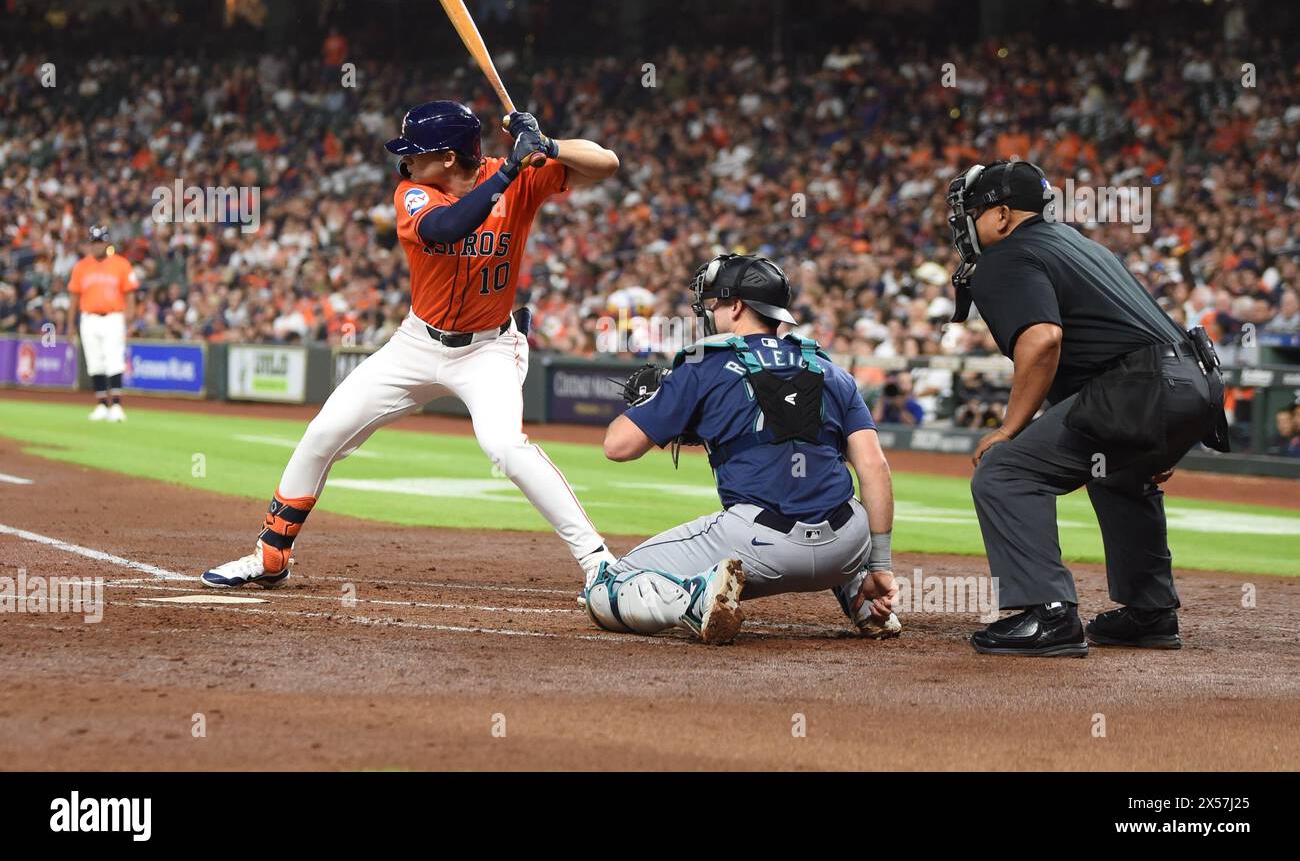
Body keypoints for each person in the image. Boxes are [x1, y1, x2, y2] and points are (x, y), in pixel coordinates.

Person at [202, 102, 620, 589]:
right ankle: (271, 556)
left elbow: (606, 163)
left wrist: (548, 145)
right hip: (416, 344)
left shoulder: (521, 174)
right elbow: (448, 227)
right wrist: (512, 167)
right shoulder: (414, 192)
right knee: (323, 433)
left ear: (448, 157)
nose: (405, 161)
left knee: (505, 446)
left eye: (415, 153)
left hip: (488, 349)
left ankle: (598, 563)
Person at [946, 160, 1229, 657]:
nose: (966, 224)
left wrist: (1009, 429)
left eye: (973, 212)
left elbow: (1043, 340)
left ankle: (1049, 615)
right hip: (1193, 381)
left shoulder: (1006, 255)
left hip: (1142, 387)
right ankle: (1150, 613)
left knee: (1005, 472)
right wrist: (1160, 438)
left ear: (1003, 215)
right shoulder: (1081, 245)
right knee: (1116, 474)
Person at [584, 254, 900, 644]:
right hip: (847, 549)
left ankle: (696, 599)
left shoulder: (705, 364)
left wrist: (656, 401)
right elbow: (874, 467)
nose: (711, 311)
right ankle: (865, 598)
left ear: (736, 306)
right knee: (827, 492)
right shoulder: (830, 369)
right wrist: (880, 565)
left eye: (716, 303)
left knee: (607, 585)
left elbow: (617, 446)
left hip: (760, 548)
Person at [66, 225, 138, 422]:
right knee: (94, 362)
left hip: (113, 317)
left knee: (114, 360)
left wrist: (130, 319)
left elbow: (130, 294)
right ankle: (101, 405)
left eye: (101, 242)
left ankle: (116, 405)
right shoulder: (81, 266)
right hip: (89, 318)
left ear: (107, 243)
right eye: (94, 242)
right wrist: (70, 324)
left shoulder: (121, 264)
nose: (97, 246)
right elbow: (74, 297)